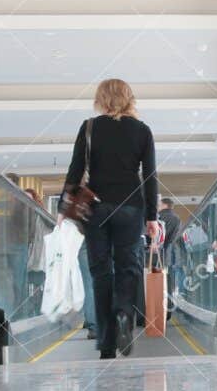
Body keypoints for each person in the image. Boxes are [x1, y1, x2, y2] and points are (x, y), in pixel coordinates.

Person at [62, 78, 164, 360]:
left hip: (97, 207)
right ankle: (123, 314)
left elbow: (75, 169)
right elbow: (151, 176)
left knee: (101, 271)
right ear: (130, 98)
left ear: (100, 98)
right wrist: (152, 217)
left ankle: (106, 344)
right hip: (131, 207)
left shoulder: (90, 127)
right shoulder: (143, 131)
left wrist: (64, 208)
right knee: (128, 266)